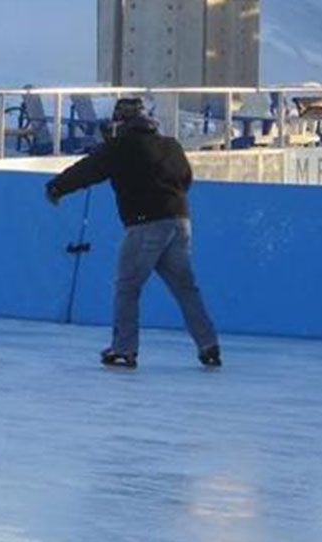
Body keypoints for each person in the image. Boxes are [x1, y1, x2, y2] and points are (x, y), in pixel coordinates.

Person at [45, 98, 221, 369]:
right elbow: (185, 178)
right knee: (186, 288)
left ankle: (124, 348)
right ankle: (209, 345)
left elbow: (89, 170)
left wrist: (58, 187)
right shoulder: (170, 145)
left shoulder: (121, 147)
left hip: (144, 224)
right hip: (179, 220)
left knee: (127, 288)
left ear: (121, 121)